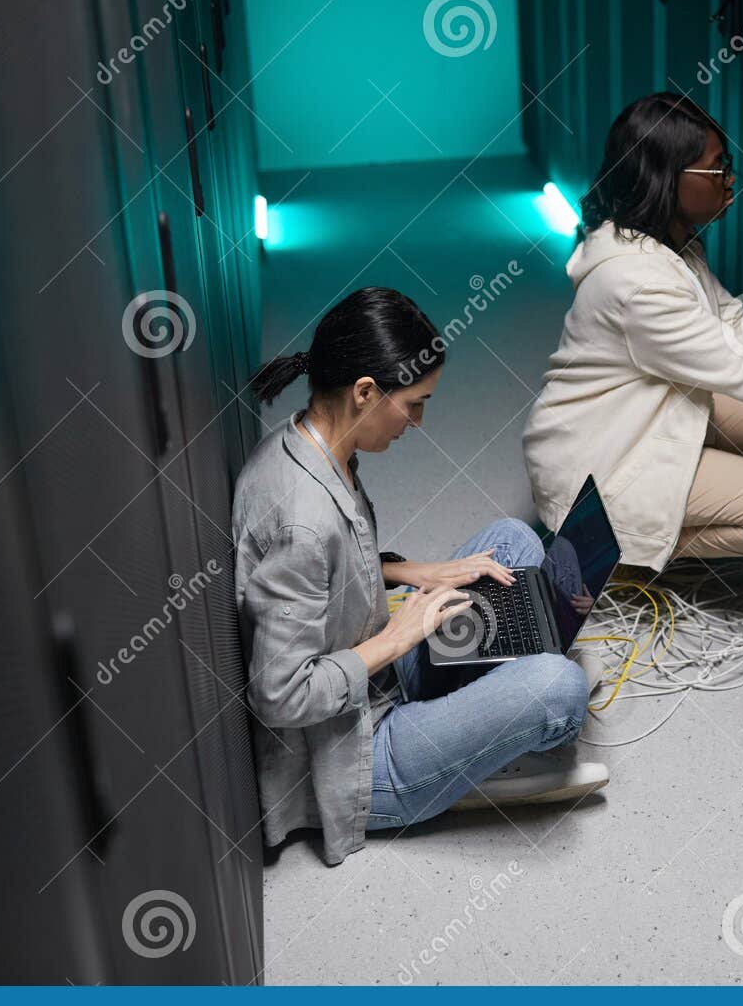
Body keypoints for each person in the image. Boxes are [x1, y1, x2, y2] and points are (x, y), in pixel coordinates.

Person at [233, 287, 609, 867]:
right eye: (414, 403)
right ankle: (512, 722)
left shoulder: (310, 443)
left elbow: (330, 568)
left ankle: (507, 678)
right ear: (365, 392)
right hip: (355, 755)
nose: (418, 421)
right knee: (560, 688)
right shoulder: (301, 520)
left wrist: (410, 570)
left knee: (512, 540)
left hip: (369, 667)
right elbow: (280, 695)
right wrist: (398, 637)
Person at [522, 92, 743, 573]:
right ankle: (611, 547)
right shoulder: (638, 281)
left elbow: (742, 330)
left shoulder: (671, 244)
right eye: (717, 167)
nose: (730, 178)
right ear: (668, 178)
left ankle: (697, 503)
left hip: (647, 415)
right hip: (602, 461)